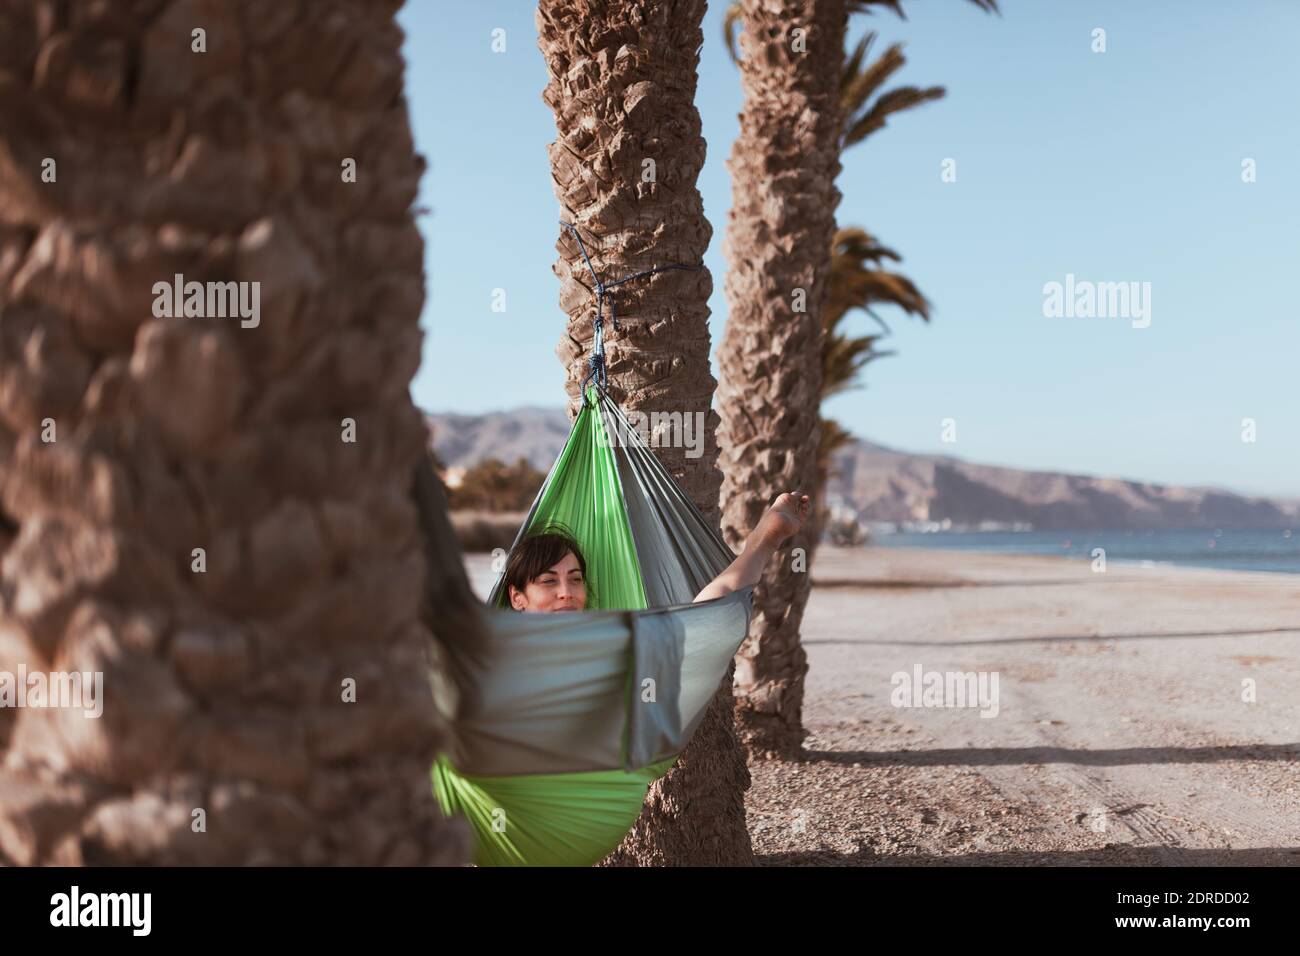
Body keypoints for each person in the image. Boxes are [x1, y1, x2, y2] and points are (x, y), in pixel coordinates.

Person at [504, 492, 811, 612]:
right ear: (517, 597)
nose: (567, 592)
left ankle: (763, 542)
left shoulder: (605, 640)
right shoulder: (499, 654)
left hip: (611, 737)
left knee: (695, 624)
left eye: (575, 578)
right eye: (548, 581)